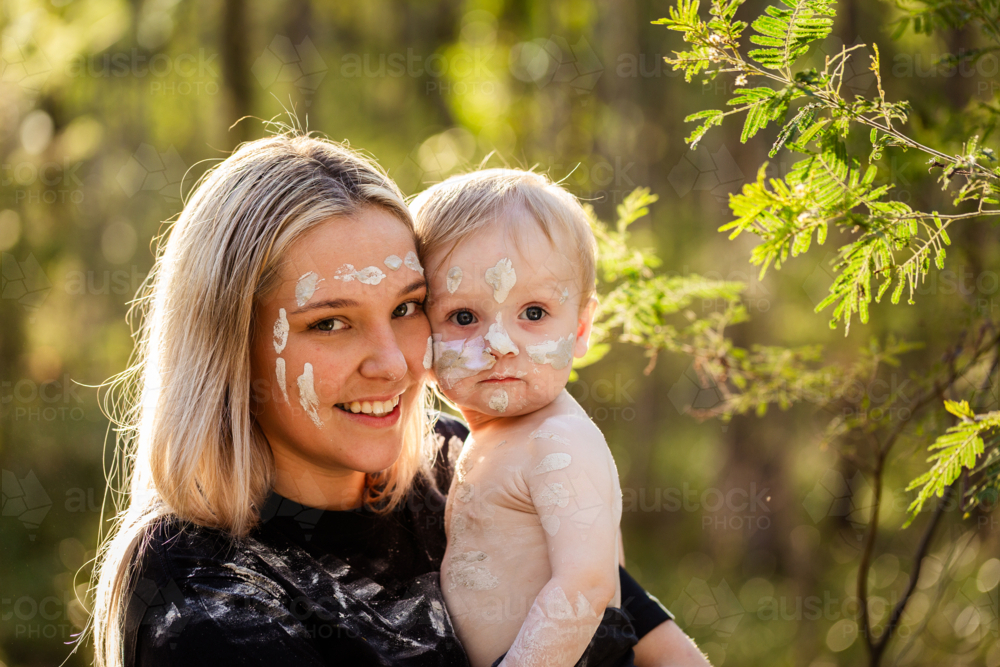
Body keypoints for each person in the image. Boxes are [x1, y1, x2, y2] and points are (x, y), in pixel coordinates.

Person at [86, 132, 710, 667]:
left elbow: (647, 637)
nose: (392, 363)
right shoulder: (203, 592)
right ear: (229, 347)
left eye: (407, 308)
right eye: (330, 322)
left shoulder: (461, 460)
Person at [412, 169, 634, 667]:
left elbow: (588, 582)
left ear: (579, 329)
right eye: (464, 317)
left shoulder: (560, 440)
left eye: (533, 313)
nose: (499, 345)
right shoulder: (489, 437)